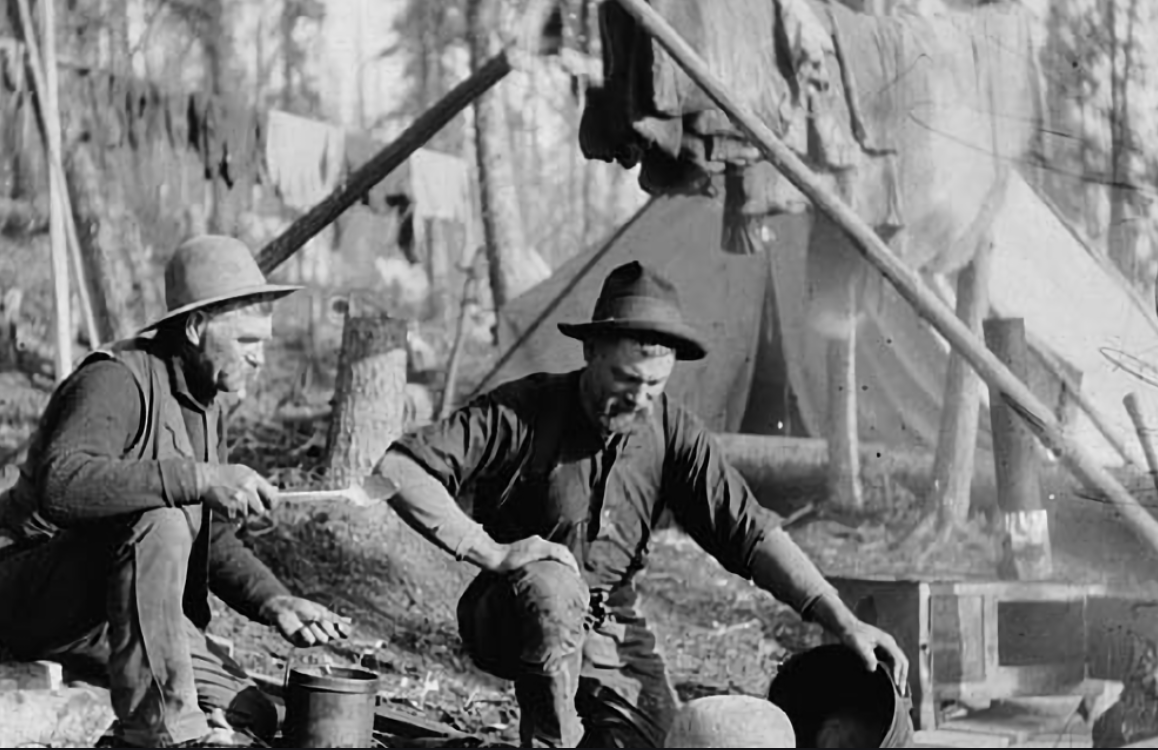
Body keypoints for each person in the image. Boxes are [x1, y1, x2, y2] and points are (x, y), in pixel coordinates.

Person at [370, 260, 909, 748]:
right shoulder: (524, 410)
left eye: (653, 385)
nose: (638, 398)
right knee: (551, 585)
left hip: (605, 623)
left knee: (663, 742)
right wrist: (491, 552)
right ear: (590, 353)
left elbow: (750, 531)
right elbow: (396, 470)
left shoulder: (670, 431)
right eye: (625, 379)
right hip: (511, 610)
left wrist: (842, 621)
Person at [0, 235, 351, 749]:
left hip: (119, 611)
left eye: (264, 342)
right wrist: (197, 478)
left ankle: (137, 711)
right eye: (247, 342)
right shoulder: (115, 379)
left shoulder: (206, 403)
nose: (260, 359)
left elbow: (206, 540)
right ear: (195, 328)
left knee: (252, 714)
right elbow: (63, 484)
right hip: (28, 590)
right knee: (163, 517)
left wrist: (274, 601)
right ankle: (161, 734)